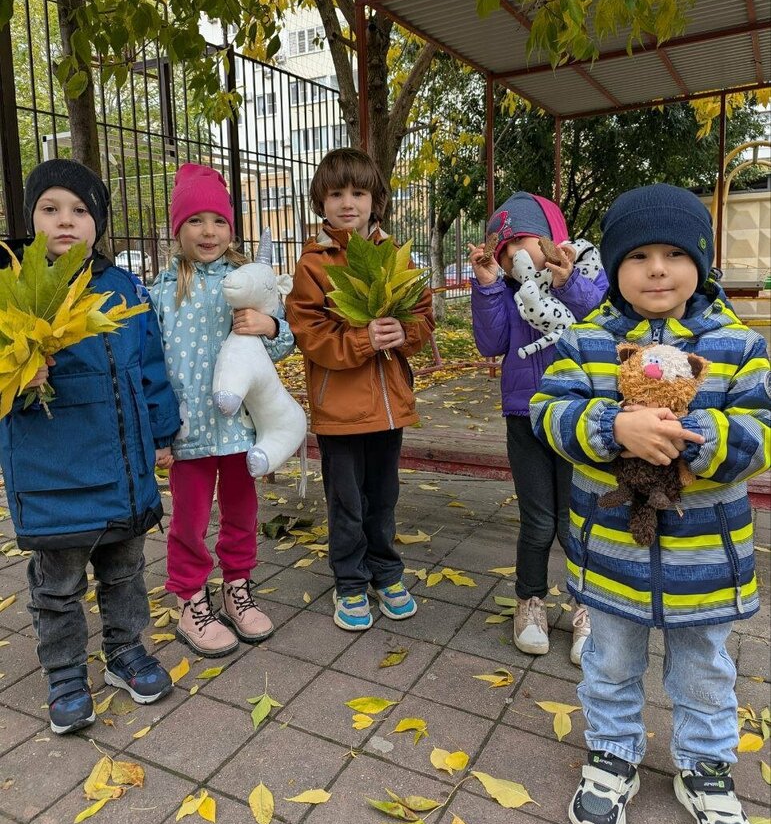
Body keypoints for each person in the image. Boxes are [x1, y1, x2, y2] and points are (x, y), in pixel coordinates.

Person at [531, 184, 769, 824]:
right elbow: (549, 415)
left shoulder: (736, 345)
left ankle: (705, 767)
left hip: (705, 556)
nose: (656, 269)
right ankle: (611, 755)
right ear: (612, 267)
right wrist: (613, 427)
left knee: (703, 671)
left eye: (673, 253)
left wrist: (693, 439)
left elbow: (762, 428)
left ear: (701, 261)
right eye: (637, 256)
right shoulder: (584, 340)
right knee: (608, 662)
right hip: (610, 551)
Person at [0, 159, 181, 735]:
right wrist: (19, 369)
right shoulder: (11, 291)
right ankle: (66, 674)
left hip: (124, 465)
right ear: (30, 218)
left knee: (125, 569)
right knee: (58, 584)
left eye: (80, 211)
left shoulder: (122, 286)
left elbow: (149, 363)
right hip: (54, 471)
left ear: (98, 221)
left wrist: (161, 432)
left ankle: (126, 652)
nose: (66, 222)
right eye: (50, 209)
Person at [286, 148, 434, 631]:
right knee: (347, 501)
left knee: (383, 495)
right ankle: (350, 581)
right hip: (340, 409)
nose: (348, 203)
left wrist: (404, 333)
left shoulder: (395, 256)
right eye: (336, 194)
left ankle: (386, 572)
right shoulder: (313, 264)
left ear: (376, 200)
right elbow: (309, 334)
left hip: (389, 407)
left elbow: (423, 316)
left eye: (358, 192)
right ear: (320, 202)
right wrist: (361, 339)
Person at [150, 163, 295, 657]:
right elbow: (151, 363)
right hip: (188, 432)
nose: (208, 231)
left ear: (231, 228)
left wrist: (269, 328)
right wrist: (159, 431)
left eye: (218, 220)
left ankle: (237, 585)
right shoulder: (161, 293)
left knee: (242, 512)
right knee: (188, 520)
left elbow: (283, 343)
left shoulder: (247, 280)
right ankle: (191, 598)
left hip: (239, 428)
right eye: (195, 220)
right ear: (177, 229)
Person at [468, 191, 608, 664]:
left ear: (551, 240)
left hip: (577, 417)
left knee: (576, 520)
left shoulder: (585, 273)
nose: (512, 257)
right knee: (538, 520)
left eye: (520, 243)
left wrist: (567, 284)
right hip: (524, 417)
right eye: (502, 252)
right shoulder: (506, 291)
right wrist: (488, 286)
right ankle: (529, 601)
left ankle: (588, 604)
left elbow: (603, 321)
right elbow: (491, 344)